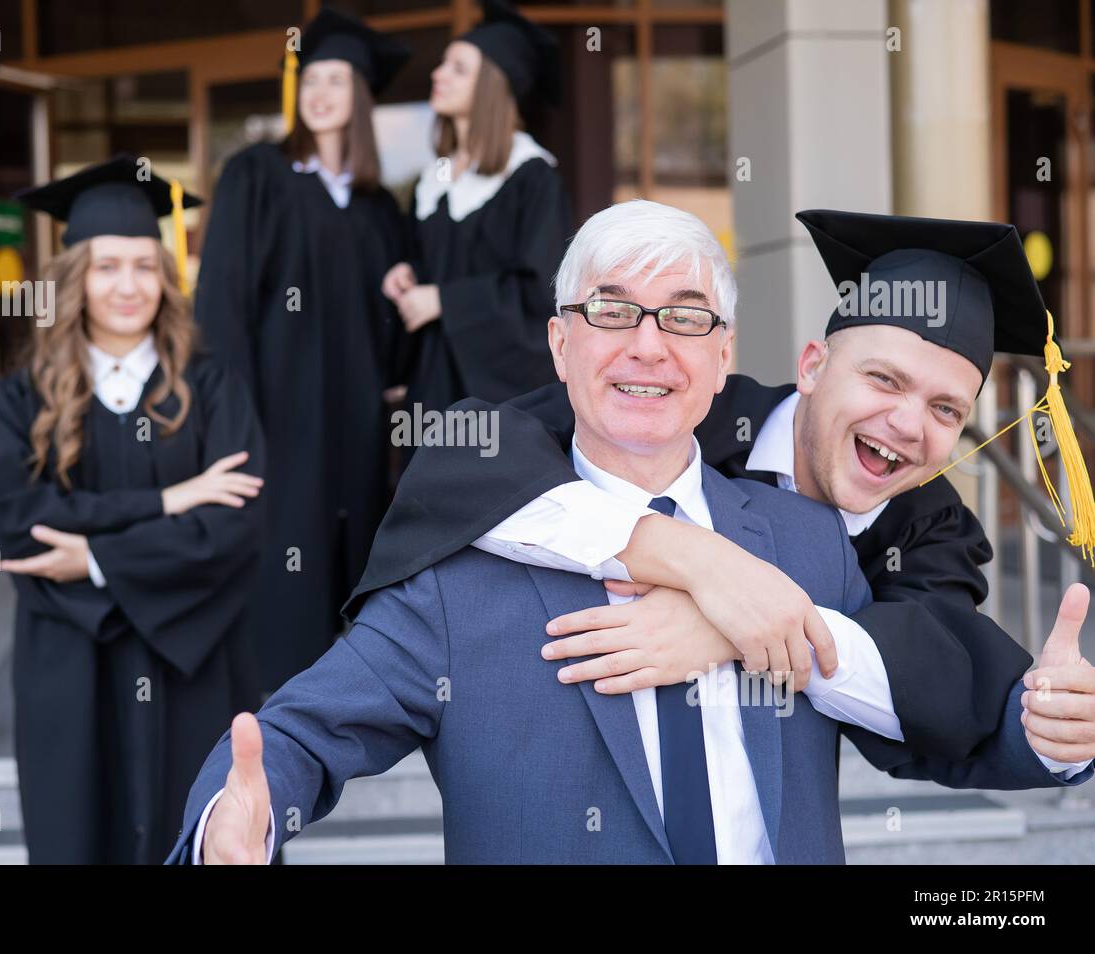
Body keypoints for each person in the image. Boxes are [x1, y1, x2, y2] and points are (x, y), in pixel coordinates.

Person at [170, 203, 1090, 866]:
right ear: (561, 346)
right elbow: (300, 732)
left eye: (687, 319)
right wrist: (237, 816)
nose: (650, 346)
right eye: (611, 312)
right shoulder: (460, 572)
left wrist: (1051, 727)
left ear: (723, 353)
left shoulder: (825, 548)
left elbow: (931, 709)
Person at [350, 207, 1095, 772]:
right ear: (811, 368)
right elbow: (473, 460)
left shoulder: (929, 525)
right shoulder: (682, 407)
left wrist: (741, 631)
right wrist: (695, 562)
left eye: (946, 410)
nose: (906, 425)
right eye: (883, 379)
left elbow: (932, 681)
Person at [0, 155, 265, 864]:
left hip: (193, 657)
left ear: (166, 278)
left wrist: (96, 559)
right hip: (67, 660)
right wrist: (168, 501)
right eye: (107, 267)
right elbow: (18, 523)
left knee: (198, 834)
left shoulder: (212, 387)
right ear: (75, 277)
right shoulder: (22, 399)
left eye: (145, 266)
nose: (128, 286)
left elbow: (232, 526)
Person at [195, 9, 410, 692]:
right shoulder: (256, 175)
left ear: (361, 97)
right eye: (310, 78)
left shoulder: (380, 208)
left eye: (336, 79)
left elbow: (397, 323)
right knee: (282, 569)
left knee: (349, 560)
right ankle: (276, 729)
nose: (318, 92)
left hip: (356, 427)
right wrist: (233, 418)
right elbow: (220, 303)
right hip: (275, 420)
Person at [383, 0, 571, 415]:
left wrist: (445, 302)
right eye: (443, 65)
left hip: (497, 396)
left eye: (457, 68)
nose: (437, 74)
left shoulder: (531, 177)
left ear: (492, 85)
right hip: (431, 382)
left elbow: (540, 294)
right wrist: (408, 270)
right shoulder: (433, 181)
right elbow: (433, 261)